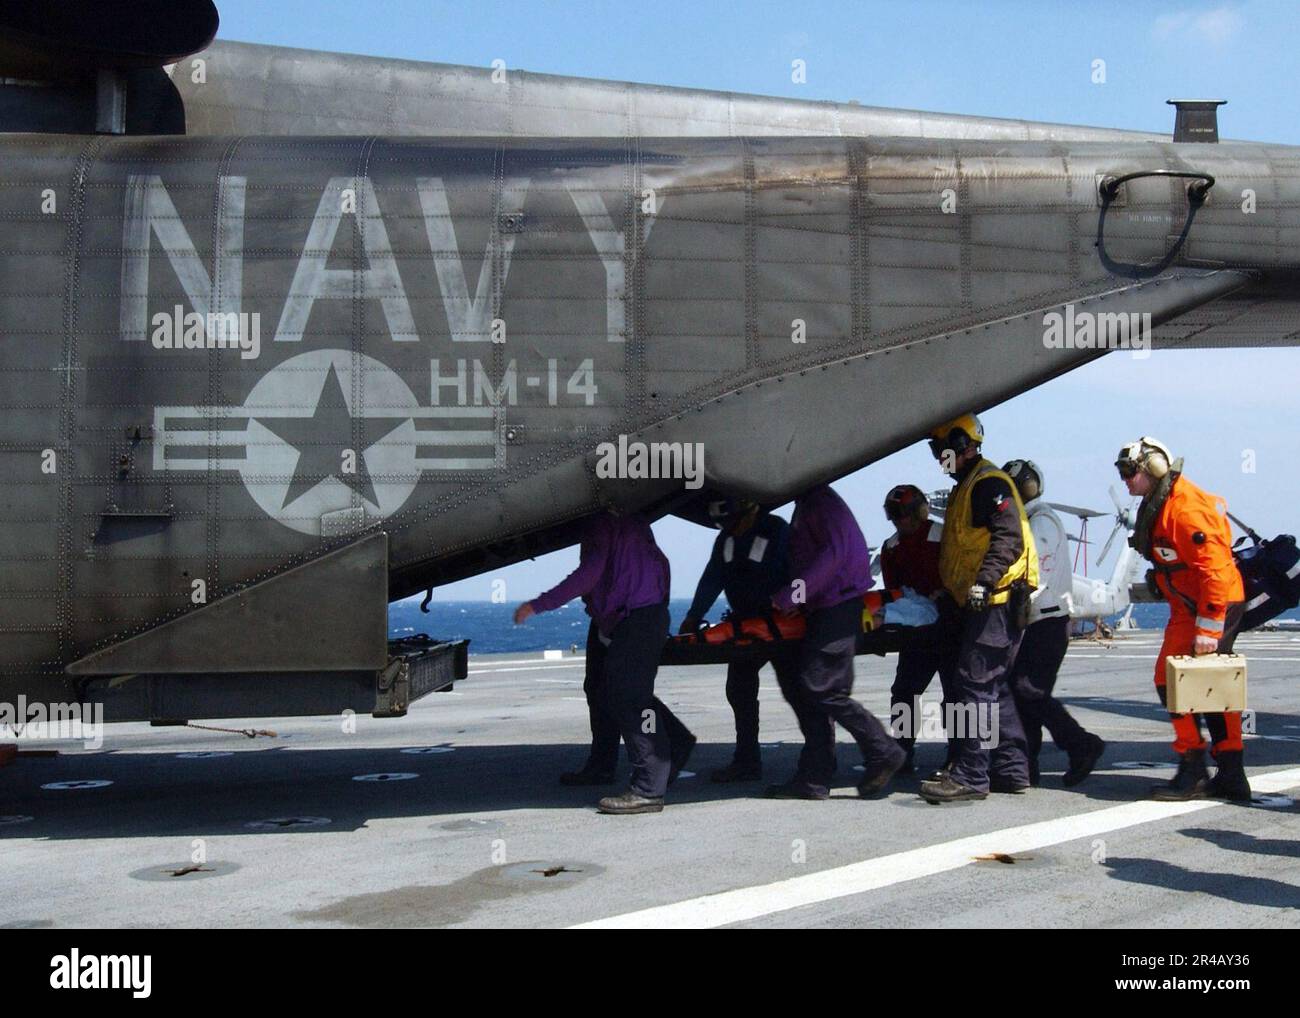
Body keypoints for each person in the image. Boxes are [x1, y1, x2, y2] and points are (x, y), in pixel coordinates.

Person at [514, 509, 695, 814]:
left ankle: (649, 787)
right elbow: (660, 565)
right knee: (602, 689)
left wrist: (538, 604)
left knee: (628, 696)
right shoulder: (632, 521)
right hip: (627, 616)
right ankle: (619, 759)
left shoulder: (601, 522)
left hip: (635, 617)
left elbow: (589, 574)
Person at [1115, 437, 1249, 801]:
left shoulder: (1185, 509)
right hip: (1188, 604)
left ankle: (1198, 770)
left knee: (1186, 682)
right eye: (1122, 472)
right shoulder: (1161, 504)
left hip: (1210, 604)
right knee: (1189, 684)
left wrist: (1209, 628)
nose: (1126, 480)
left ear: (1154, 469)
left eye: (1130, 472)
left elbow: (1216, 572)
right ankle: (1226, 772)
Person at [919, 413, 1038, 804]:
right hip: (984, 602)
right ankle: (1011, 769)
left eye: (944, 450)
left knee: (973, 683)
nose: (941, 458)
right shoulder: (966, 486)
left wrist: (983, 583)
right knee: (993, 685)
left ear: (964, 445)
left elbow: (1010, 539)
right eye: (937, 452)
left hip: (997, 601)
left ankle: (971, 775)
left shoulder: (988, 483)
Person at [765, 484, 905, 800]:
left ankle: (883, 751)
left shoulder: (821, 505)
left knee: (821, 688)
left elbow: (833, 554)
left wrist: (792, 594)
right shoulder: (810, 503)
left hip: (837, 608)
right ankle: (814, 777)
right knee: (809, 690)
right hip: (825, 608)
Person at [1001, 459, 1105, 787]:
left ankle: (1081, 744)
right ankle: (1025, 764)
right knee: (1021, 693)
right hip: (1038, 622)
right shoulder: (1031, 519)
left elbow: (1036, 572)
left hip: (1046, 621)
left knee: (1028, 689)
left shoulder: (1040, 521)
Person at [680, 498, 797, 782]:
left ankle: (821, 760)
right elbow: (712, 578)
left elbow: (801, 572)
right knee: (739, 690)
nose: (728, 528)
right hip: (746, 628)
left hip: (783, 627)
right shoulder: (726, 540)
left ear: (751, 510)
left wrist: (799, 608)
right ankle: (747, 761)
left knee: (800, 692)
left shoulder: (777, 530)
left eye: (731, 521)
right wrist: (693, 616)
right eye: (722, 524)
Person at [878, 484, 957, 775]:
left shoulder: (946, 537)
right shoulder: (891, 548)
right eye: (895, 516)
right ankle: (902, 751)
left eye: (904, 515)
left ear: (919, 512)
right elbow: (894, 591)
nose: (901, 522)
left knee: (956, 694)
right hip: (917, 632)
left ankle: (959, 757)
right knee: (904, 692)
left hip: (950, 627)